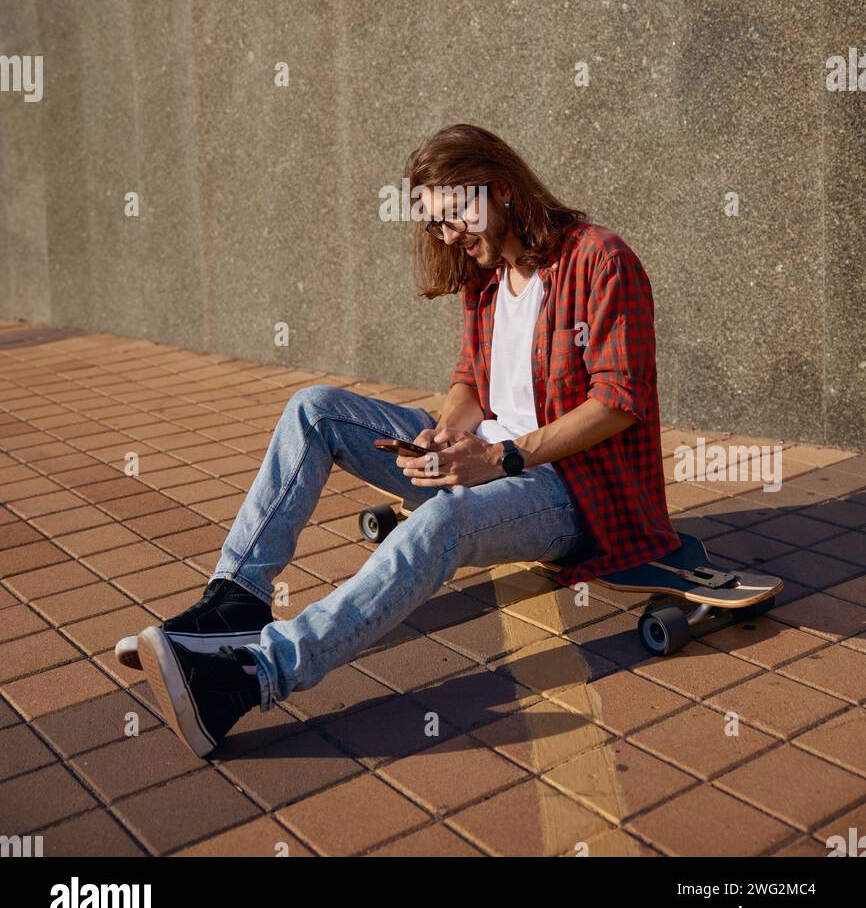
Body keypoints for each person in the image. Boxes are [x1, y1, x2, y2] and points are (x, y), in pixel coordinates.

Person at [124, 123, 678, 757]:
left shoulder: (600, 260)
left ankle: (253, 676)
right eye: (434, 225)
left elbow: (618, 405)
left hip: (574, 489)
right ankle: (233, 604)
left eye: (452, 219)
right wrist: (446, 435)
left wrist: (501, 457)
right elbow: (472, 379)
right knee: (315, 409)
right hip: (487, 456)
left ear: (498, 192)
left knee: (442, 522)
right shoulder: (486, 273)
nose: (445, 237)